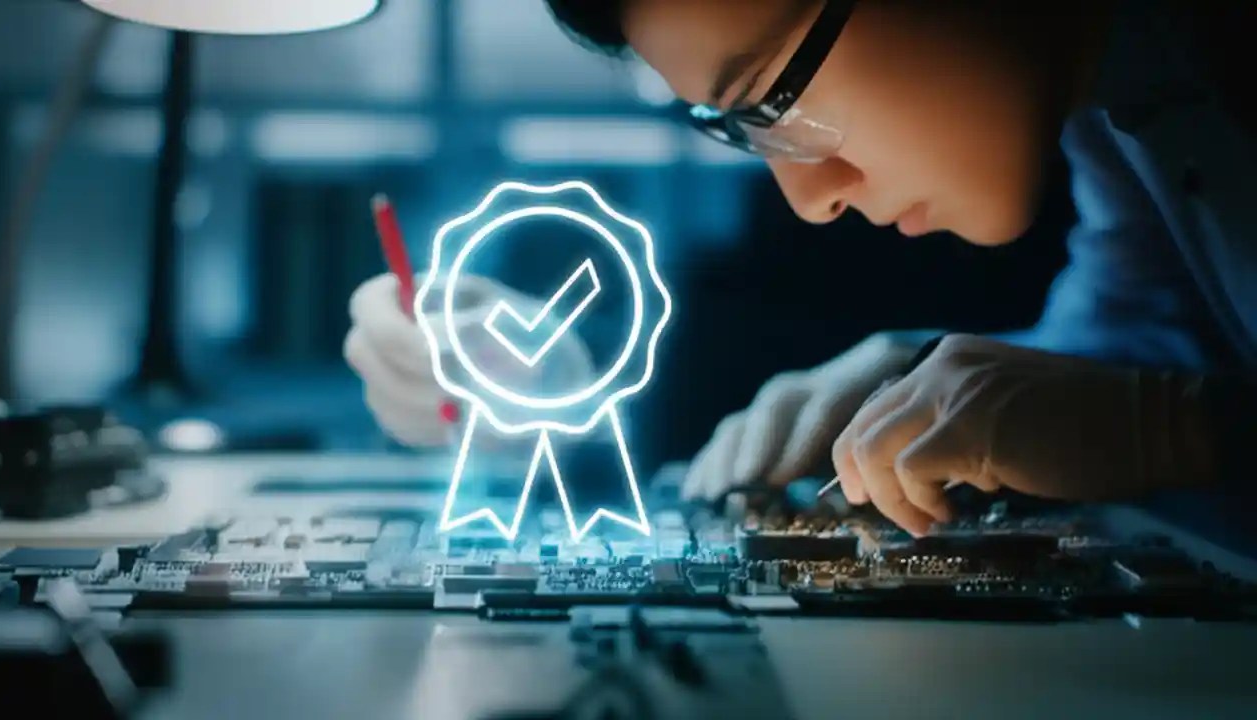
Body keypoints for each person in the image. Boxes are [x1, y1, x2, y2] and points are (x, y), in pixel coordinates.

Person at [346, 0, 1256, 549]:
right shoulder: (1116, 95)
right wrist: (918, 381)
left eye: (780, 95)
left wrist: (1187, 432)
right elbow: (1143, 350)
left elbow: (1149, 409)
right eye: (741, 128)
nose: (811, 199)